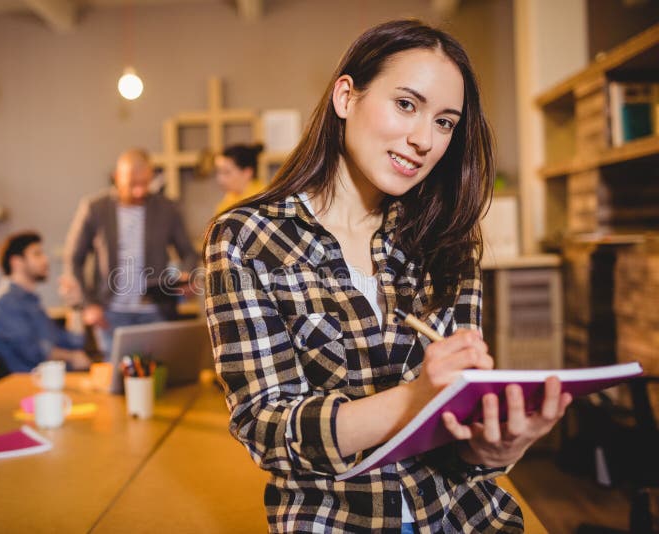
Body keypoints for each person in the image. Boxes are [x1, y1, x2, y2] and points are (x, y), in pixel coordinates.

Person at [204, 20, 571, 533]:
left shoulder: (448, 236)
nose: (424, 139)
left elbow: (460, 448)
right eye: (406, 104)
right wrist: (415, 398)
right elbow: (266, 429)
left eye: (445, 122)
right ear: (346, 96)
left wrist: (493, 446)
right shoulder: (247, 239)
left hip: (462, 519)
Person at [65, 148, 198, 357]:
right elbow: (73, 259)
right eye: (132, 185)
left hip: (156, 311)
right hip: (110, 313)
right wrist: (88, 304)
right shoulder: (94, 208)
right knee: (117, 381)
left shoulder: (167, 208)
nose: (139, 191)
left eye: (145, 184)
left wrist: (187, 275)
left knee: (161, 378)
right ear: (117, 178)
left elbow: (189, 253)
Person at [0, 231, 91, 373]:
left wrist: (75, 305)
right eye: (37, 254)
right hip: (28, 383)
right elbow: (35, 353)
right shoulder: (5, 305)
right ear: (17, 262)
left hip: (52, 378)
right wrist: (72, 357)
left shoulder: (31, 302)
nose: (45, 259)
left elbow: (73, 342)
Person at [213, 143, 266, 214]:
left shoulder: (260, 199)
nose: (220, 179)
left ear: (247, 172)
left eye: (226, 172)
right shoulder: (230, 196)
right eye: (219, 172)